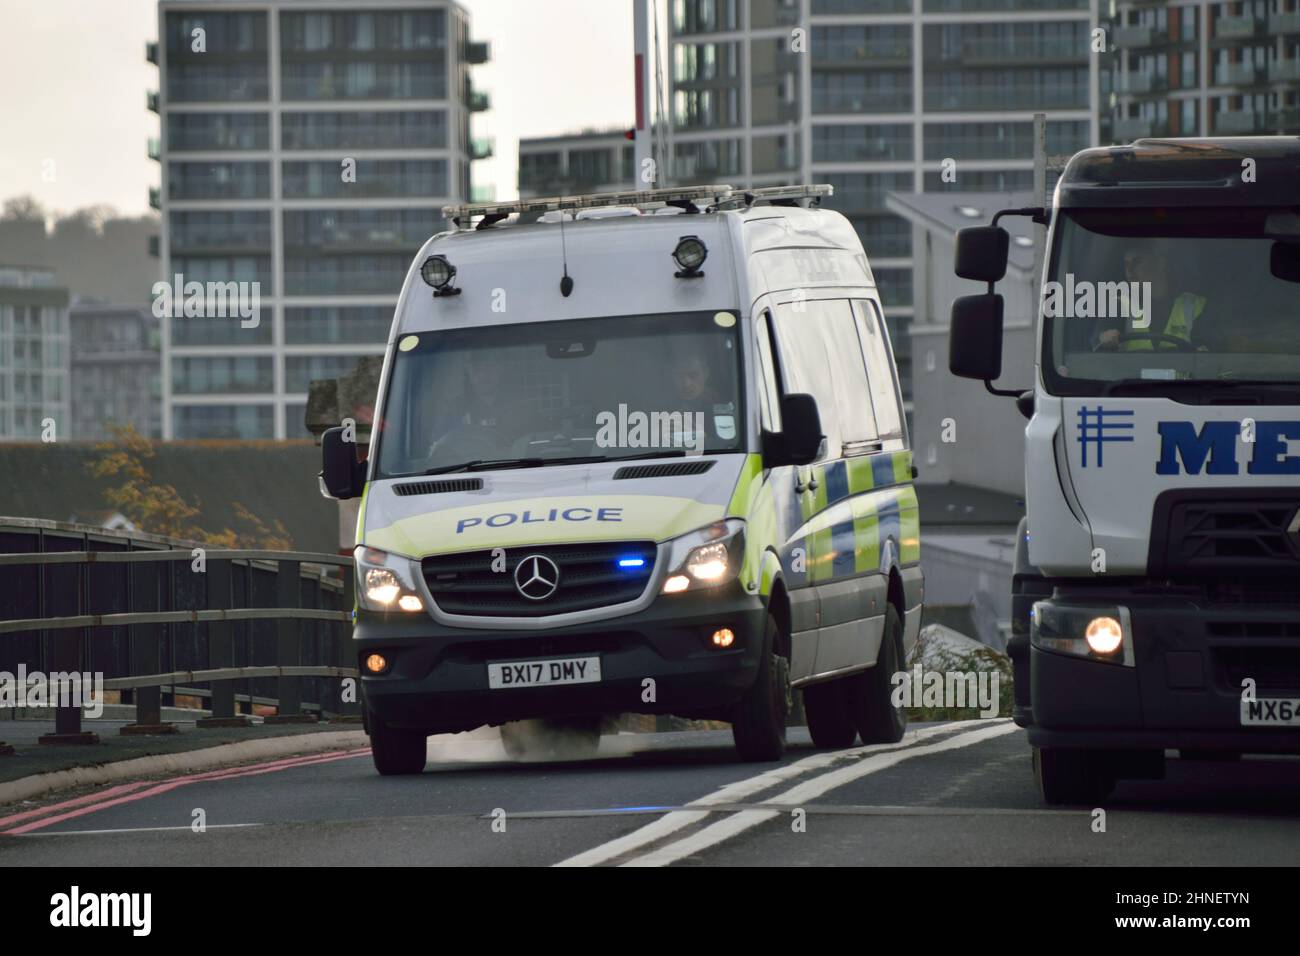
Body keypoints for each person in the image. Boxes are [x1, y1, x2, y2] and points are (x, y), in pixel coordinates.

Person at [1095, 241, 1208, 352]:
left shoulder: (1194, 305)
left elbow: (1210, 355)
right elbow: (1096, 346)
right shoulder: (1118, 306)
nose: (1129, 270)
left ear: (1160, 263)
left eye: (1137, 262)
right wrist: (1105, 339)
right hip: (1130, 371)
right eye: (1126, 264)